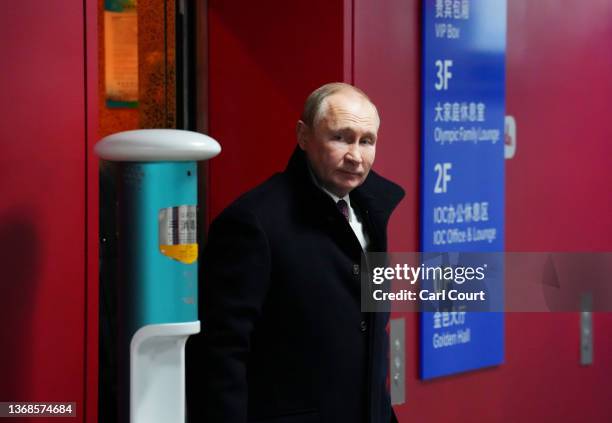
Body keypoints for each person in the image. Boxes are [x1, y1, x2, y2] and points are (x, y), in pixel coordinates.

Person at [187, 82, 404, 423]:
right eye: (341, 137)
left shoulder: (373, 215)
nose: (355, 156)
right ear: (303, 136)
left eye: (367, 141)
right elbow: (221, 353)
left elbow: (371, 335)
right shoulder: (253, 222)